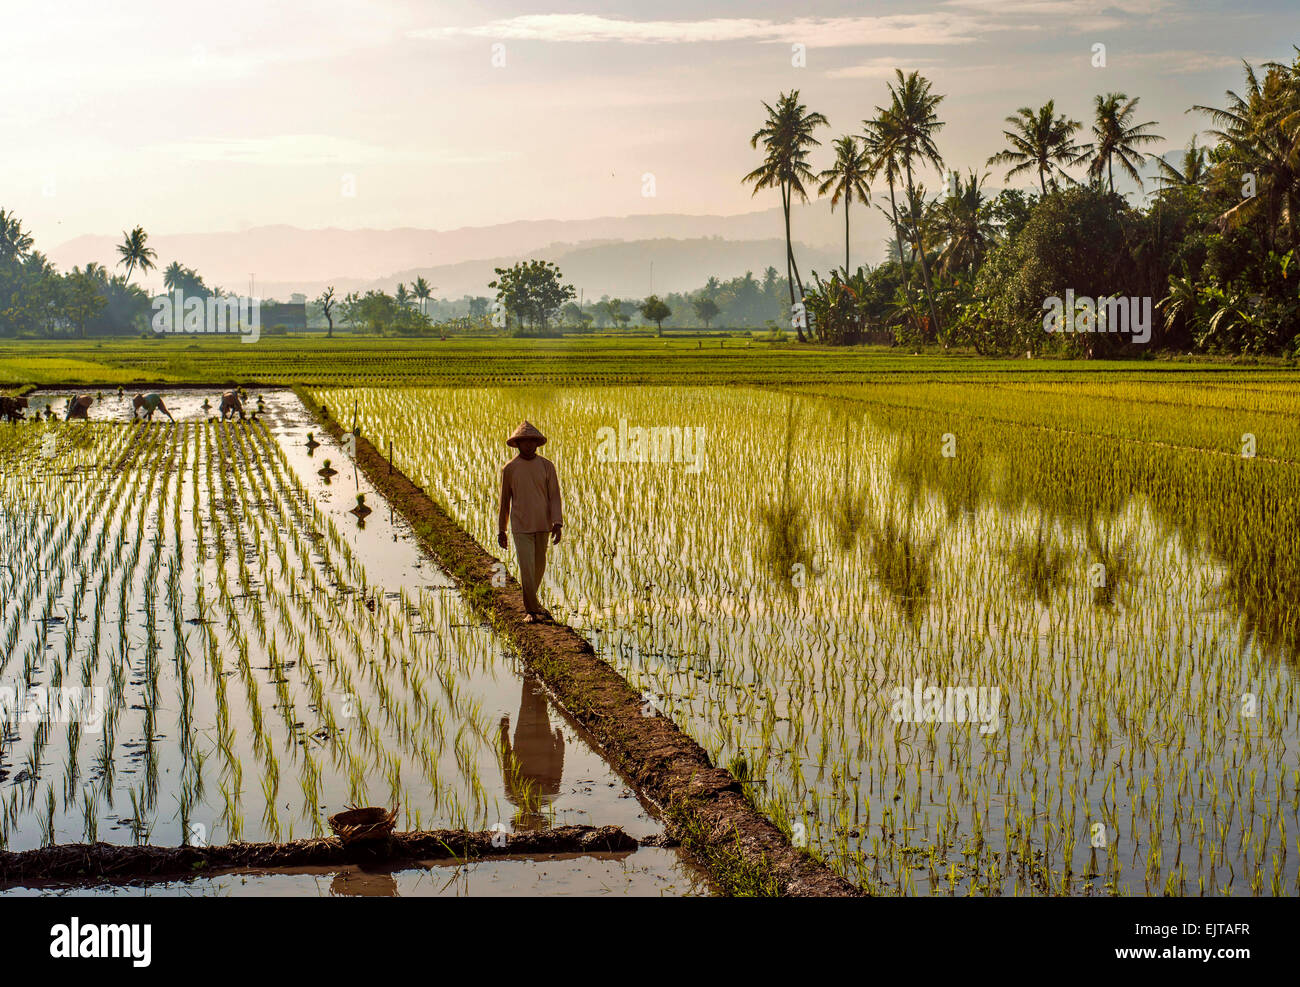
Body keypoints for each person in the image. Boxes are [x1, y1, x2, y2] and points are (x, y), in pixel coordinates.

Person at [497, 420, 562, 623]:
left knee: (538, 567)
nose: (528, 445)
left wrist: (557, 523)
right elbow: (504, 501)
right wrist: (502, 530)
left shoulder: (546, 466)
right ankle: (531, 611)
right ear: (517, 444)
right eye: (524, 442)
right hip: (520, 526)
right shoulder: (510, 469)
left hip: (543, 524)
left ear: (537, 443)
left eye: (532, 441)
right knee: (526, 567)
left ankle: (532, 605)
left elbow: (554, 496)